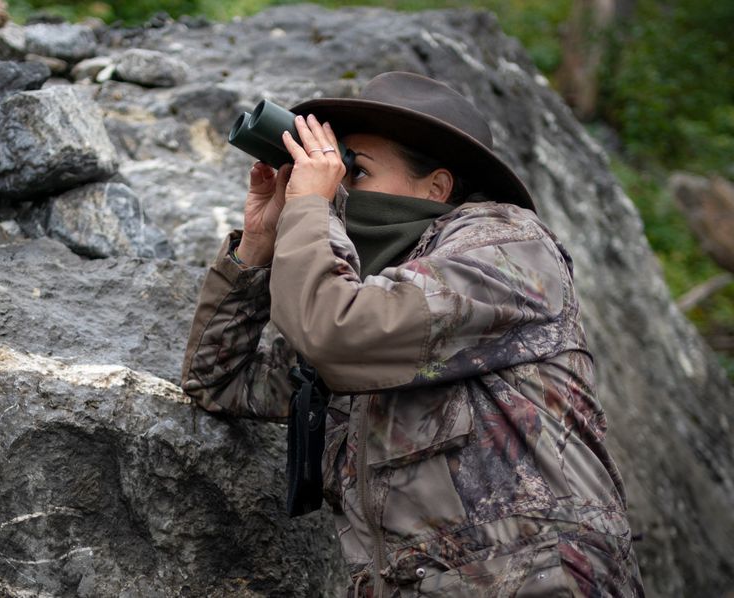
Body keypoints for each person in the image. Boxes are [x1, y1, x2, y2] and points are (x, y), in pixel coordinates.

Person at [180, 72, 644, 596]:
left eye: (353, 172)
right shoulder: (377, 297)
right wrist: (259, 245)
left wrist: (311, 209)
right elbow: (218, 380)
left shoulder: (507, 248)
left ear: (437, 188)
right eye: (333, 172)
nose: (337, 191)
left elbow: (332, 329)